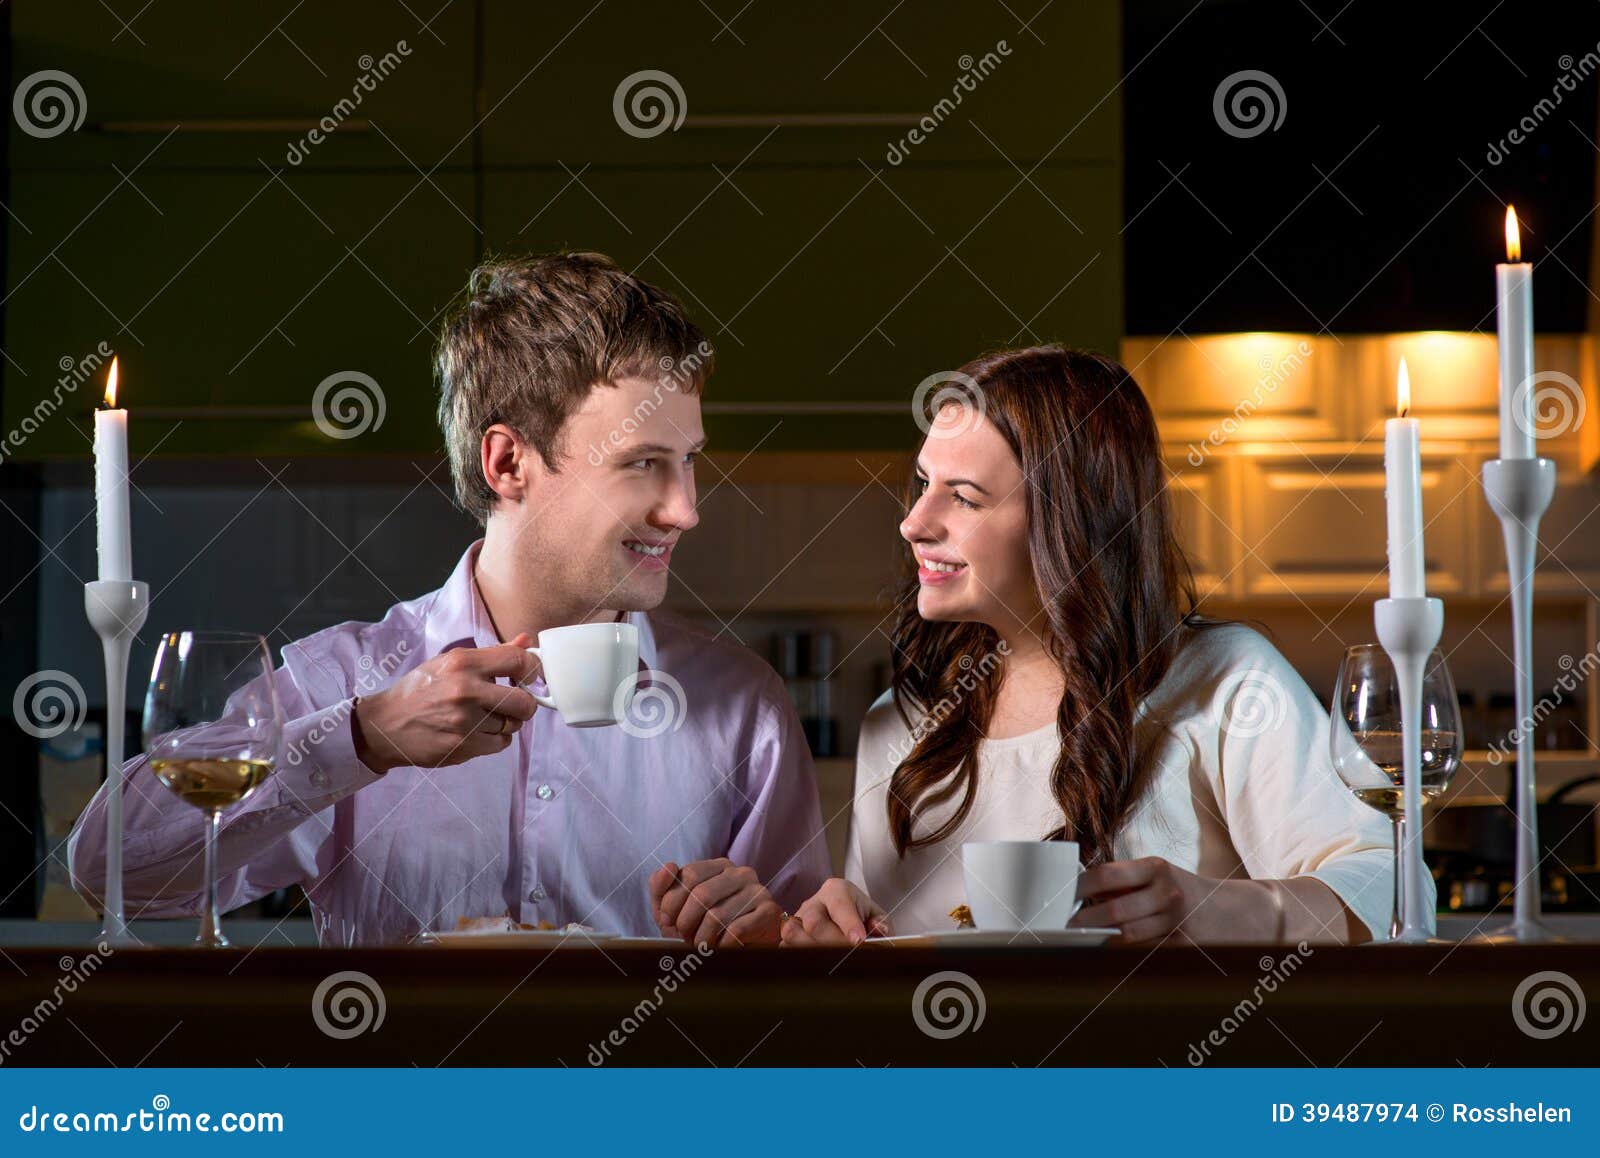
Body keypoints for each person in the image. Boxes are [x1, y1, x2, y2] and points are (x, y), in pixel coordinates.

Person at [68, 252, 830, 947]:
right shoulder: (348, 682)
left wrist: (767, 939)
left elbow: (796, 1003)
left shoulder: (742, 711)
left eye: (688, 462)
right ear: (507, 463)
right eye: (643, 464)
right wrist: (361, 740)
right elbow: (110, 871)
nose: (684, 509)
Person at [779, 345, 1419, 947]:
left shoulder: (1226, 681)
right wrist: (839, 928)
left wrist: (1208, 907)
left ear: (1071, 522)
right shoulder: (903, 719)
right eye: (924, 484)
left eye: (965, 498)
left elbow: (1393, 884)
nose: (913, 522)